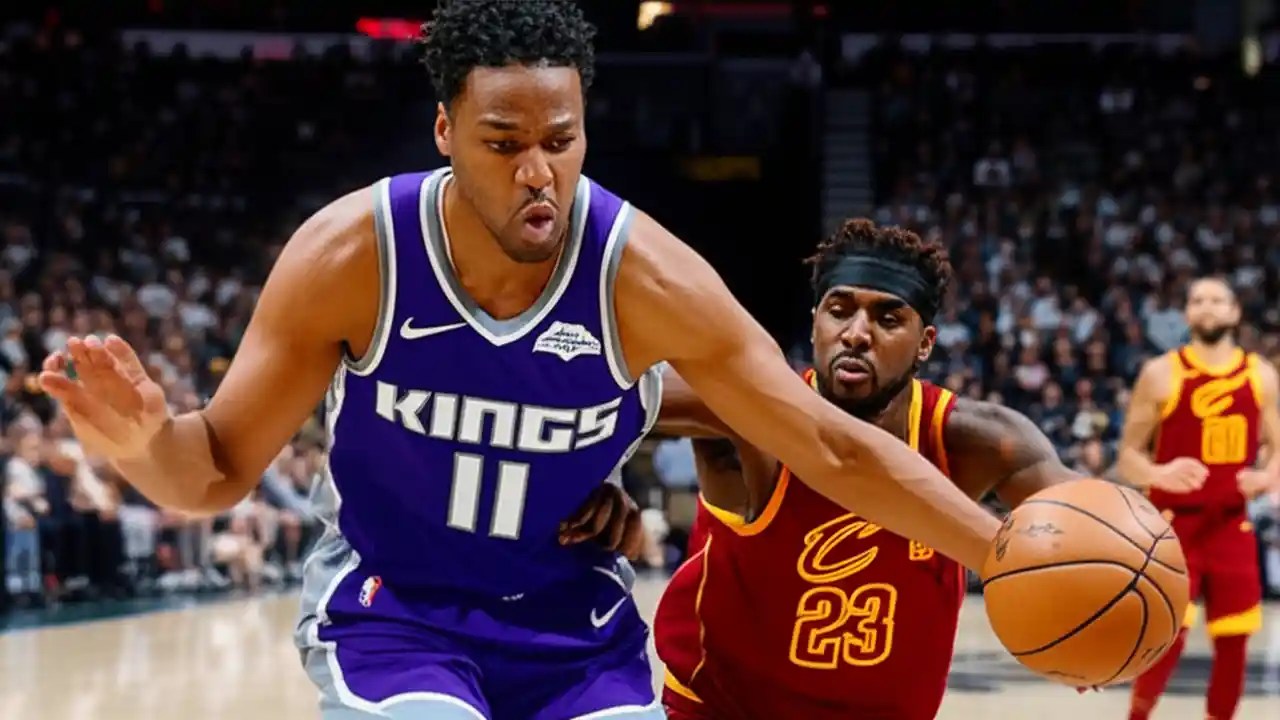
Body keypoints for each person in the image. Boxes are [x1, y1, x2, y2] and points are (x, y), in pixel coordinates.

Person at [36, 2, 1001, 718]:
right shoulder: (352, 255)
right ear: (448, 133)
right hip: (395, 608)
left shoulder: (648, 278)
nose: (538, 172)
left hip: (570, 621)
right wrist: (143, 442)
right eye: (504, 143)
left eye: (562, 141)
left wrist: (1003, 554)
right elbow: (212, 469)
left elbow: (829, 448)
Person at [651, 219, 1083, 719]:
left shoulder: (979, 442)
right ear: (815, 323)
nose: (856, 334)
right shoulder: (744, 414)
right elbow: (592, 392)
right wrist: (602, 489)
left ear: (925, 344)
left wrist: (1097, 618)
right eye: (839, 311)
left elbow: (1097, 531)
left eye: (888, 319)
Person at [1119, 276, 1280, 720]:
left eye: (1217, 300)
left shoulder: (1260, 373)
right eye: (1197, 300)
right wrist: (1158, 471)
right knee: (1167, 636)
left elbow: (1279, 447)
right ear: (1186, 313)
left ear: (1234, 313)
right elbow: (1128, 456)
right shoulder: (1161, 372)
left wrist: (1267, 477)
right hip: (1174, 526)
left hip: (1232, 523)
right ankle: (1137, 715)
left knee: (1235, 641)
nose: (1207, 307)